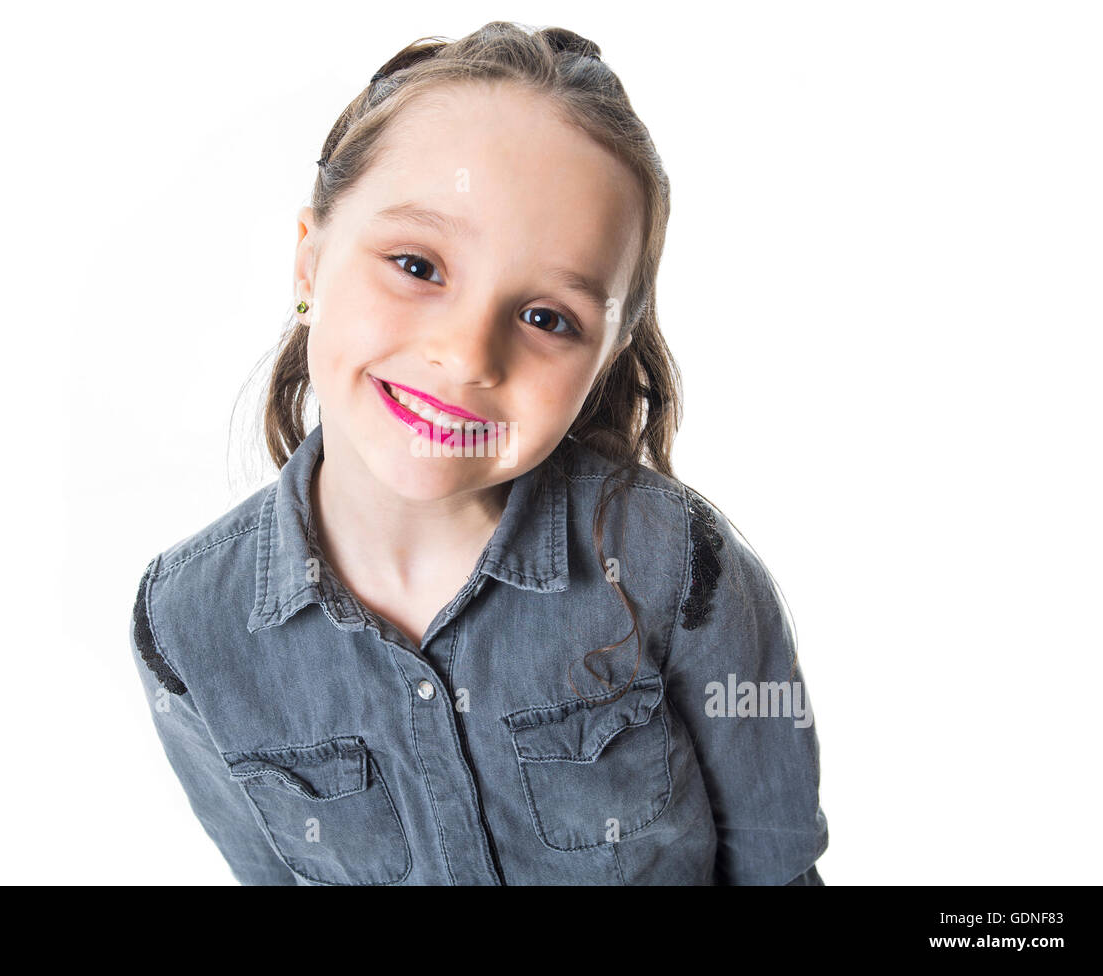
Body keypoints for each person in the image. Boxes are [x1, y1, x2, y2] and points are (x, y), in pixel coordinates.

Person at [129, 21, 828, 885]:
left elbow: (776, 865)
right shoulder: (188, 623)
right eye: (417, 265)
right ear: (308, 264)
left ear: (604, 360)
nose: (466, 355)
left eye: (547, 319)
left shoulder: (675, 568)